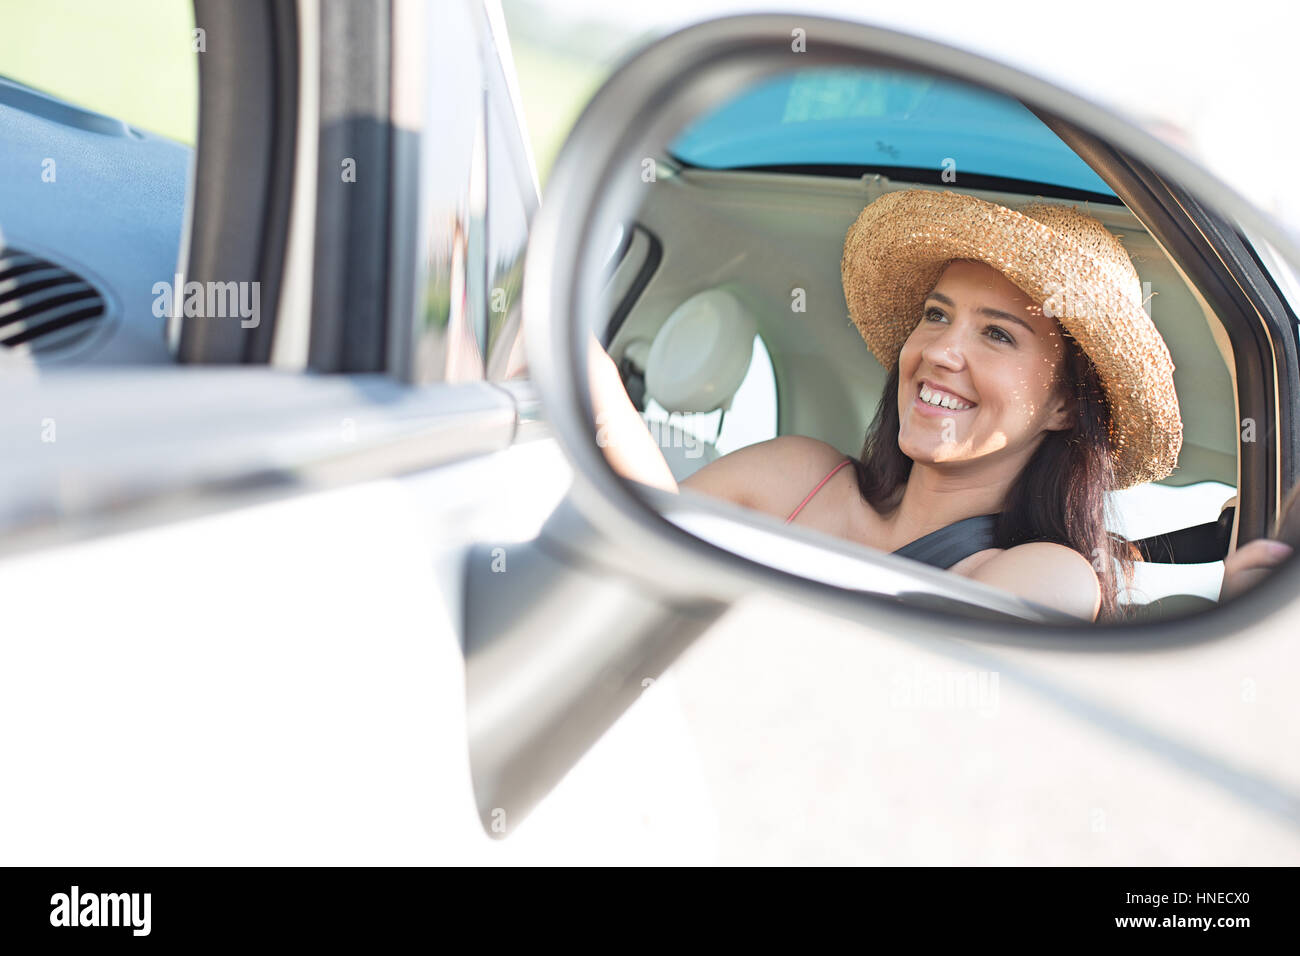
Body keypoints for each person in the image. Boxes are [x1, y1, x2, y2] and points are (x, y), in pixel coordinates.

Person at [589, 189, 1201, 623]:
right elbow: (634, 547)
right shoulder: (797, 473)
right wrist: (582, 382)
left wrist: (591, 388)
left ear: (1065, 405)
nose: (941, 351)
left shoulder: (1049, 575)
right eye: (937, 315)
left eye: (997, 334)